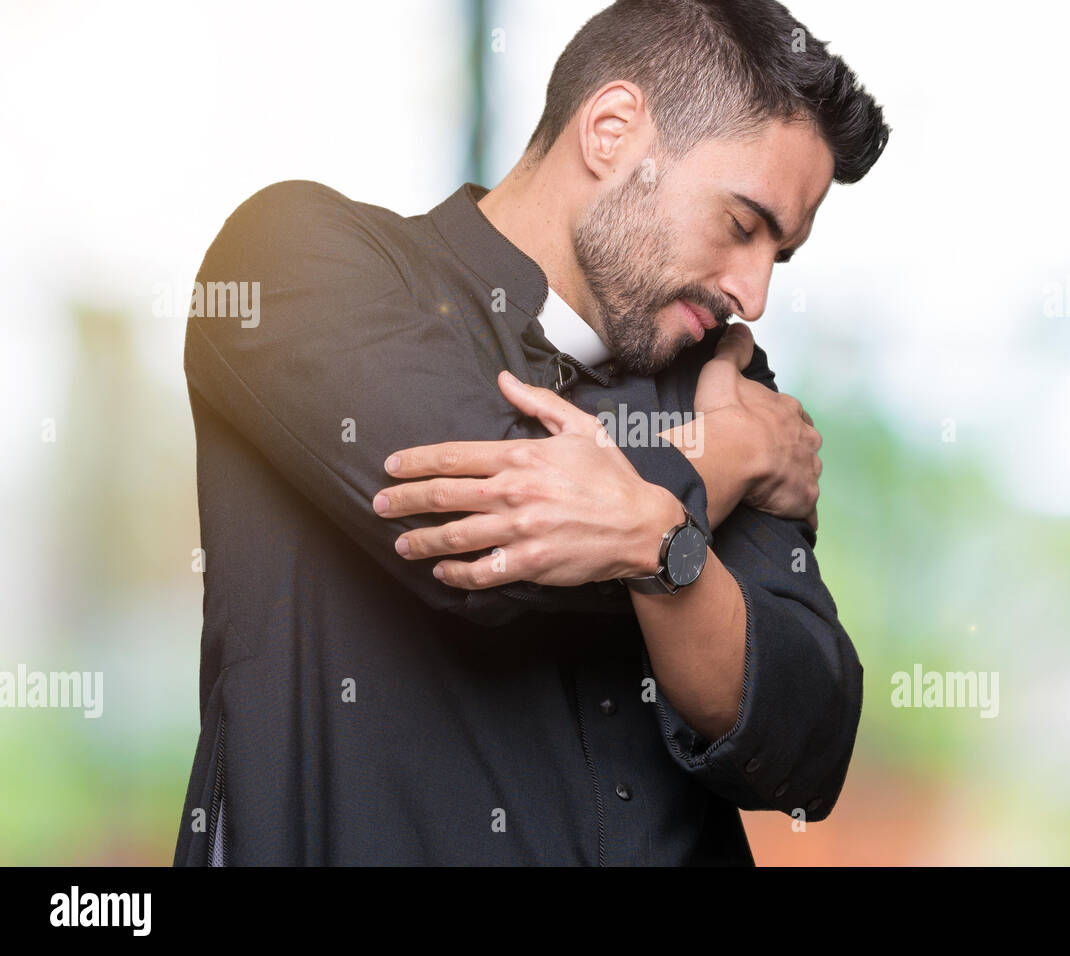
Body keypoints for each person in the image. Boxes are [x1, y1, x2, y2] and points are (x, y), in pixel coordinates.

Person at [173, 0, 887, 866]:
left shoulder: (723, 379)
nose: (755, 293)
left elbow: (809, 737)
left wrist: (664, 547)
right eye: (742, 225)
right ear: (613, 131)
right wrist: (721, 460)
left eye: (780, 254)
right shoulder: (293, 259)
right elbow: (482, 532)